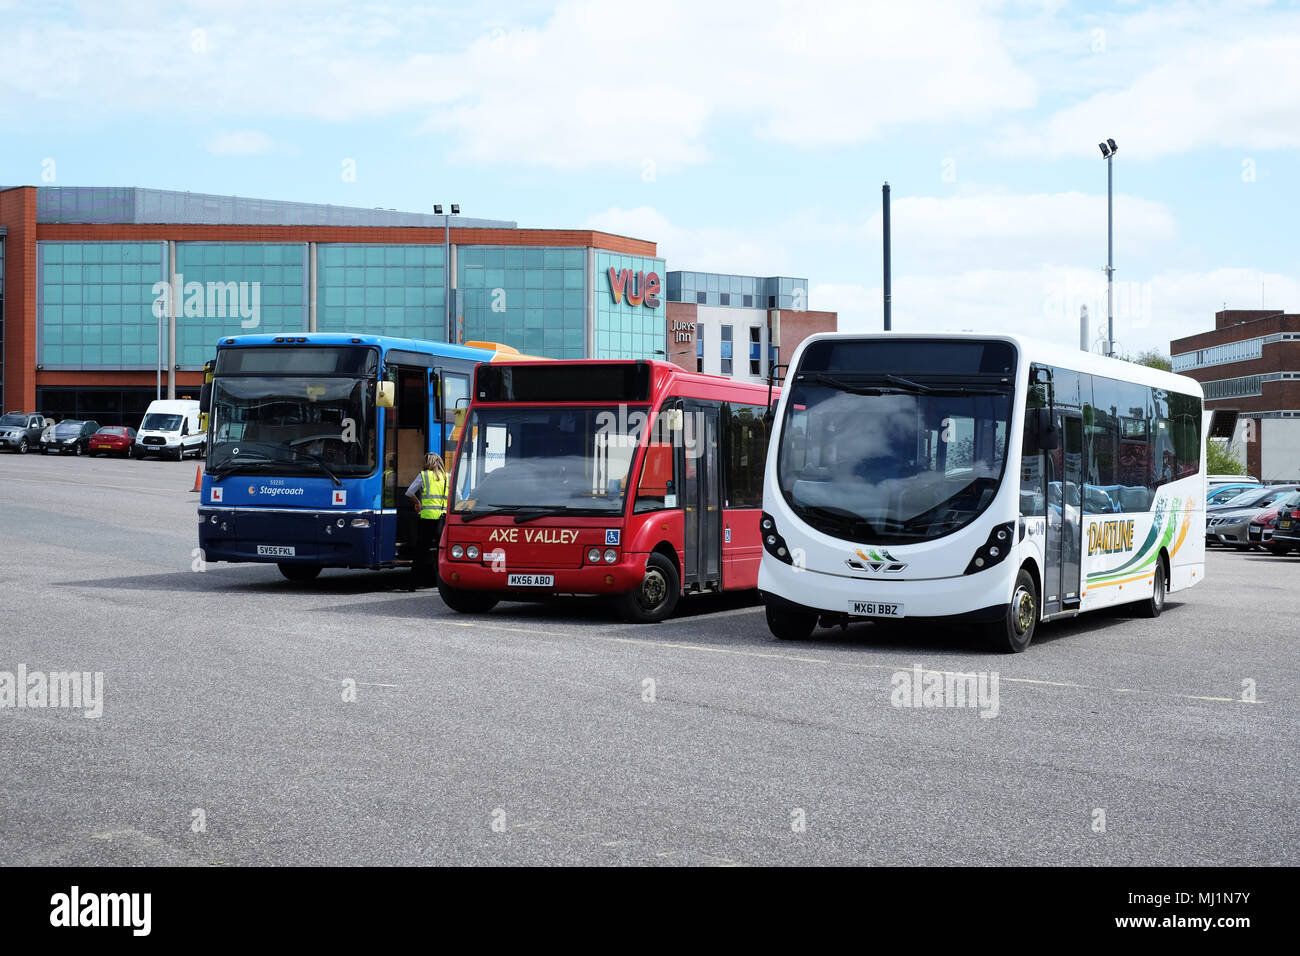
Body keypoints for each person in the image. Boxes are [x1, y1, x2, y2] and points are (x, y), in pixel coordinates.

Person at [405, 452, 448, 587]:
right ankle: (442, 581)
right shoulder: (447, 477)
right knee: (442, 550)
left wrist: (418, 503)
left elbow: (409, 492)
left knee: (421, 550)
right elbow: (457, 495)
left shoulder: (423, 475)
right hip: (443, 519)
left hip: (427, 518)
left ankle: (413, 583)